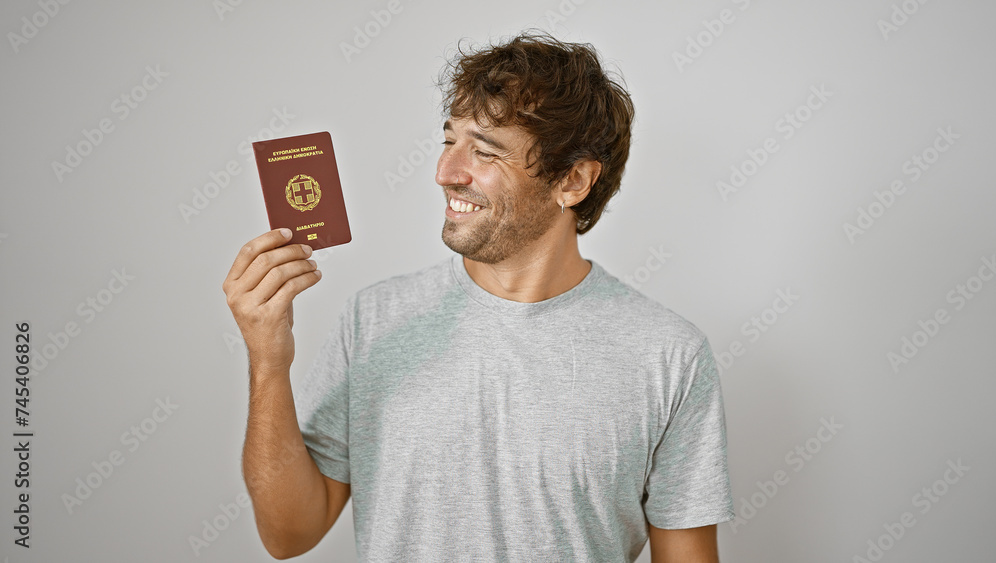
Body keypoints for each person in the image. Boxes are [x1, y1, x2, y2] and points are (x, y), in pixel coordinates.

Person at [223, 31, 734, 562]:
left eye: (485, 151)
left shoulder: (669, 356)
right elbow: (288, 534)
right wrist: (267, 361)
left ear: (574, 180)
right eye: (449, 141)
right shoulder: (374, 319)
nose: (446, 173)